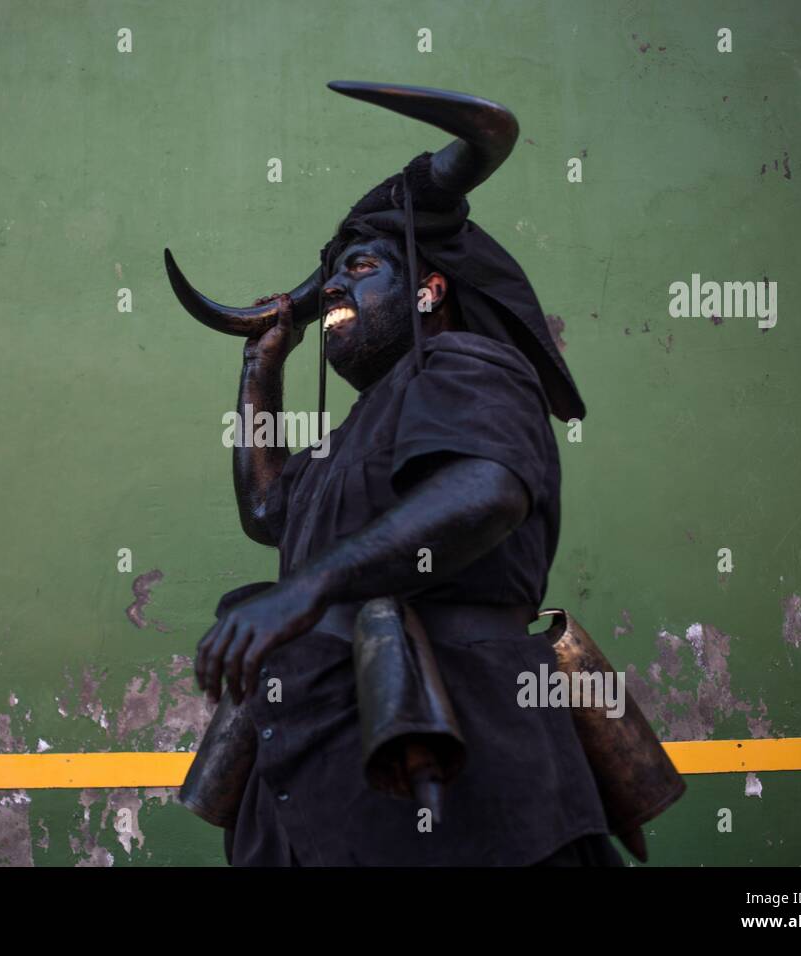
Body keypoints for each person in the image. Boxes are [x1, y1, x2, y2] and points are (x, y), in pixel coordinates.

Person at [169, 82, 622, 866]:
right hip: (321, 776)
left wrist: (310, 589)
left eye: (363, 266)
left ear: (427, 286)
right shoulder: (364, 426)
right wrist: (260, 366)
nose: (338, 285)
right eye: (334, 275)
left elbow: (489, 490)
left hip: (461, 767)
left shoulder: (465, 363)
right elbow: (270, 513)